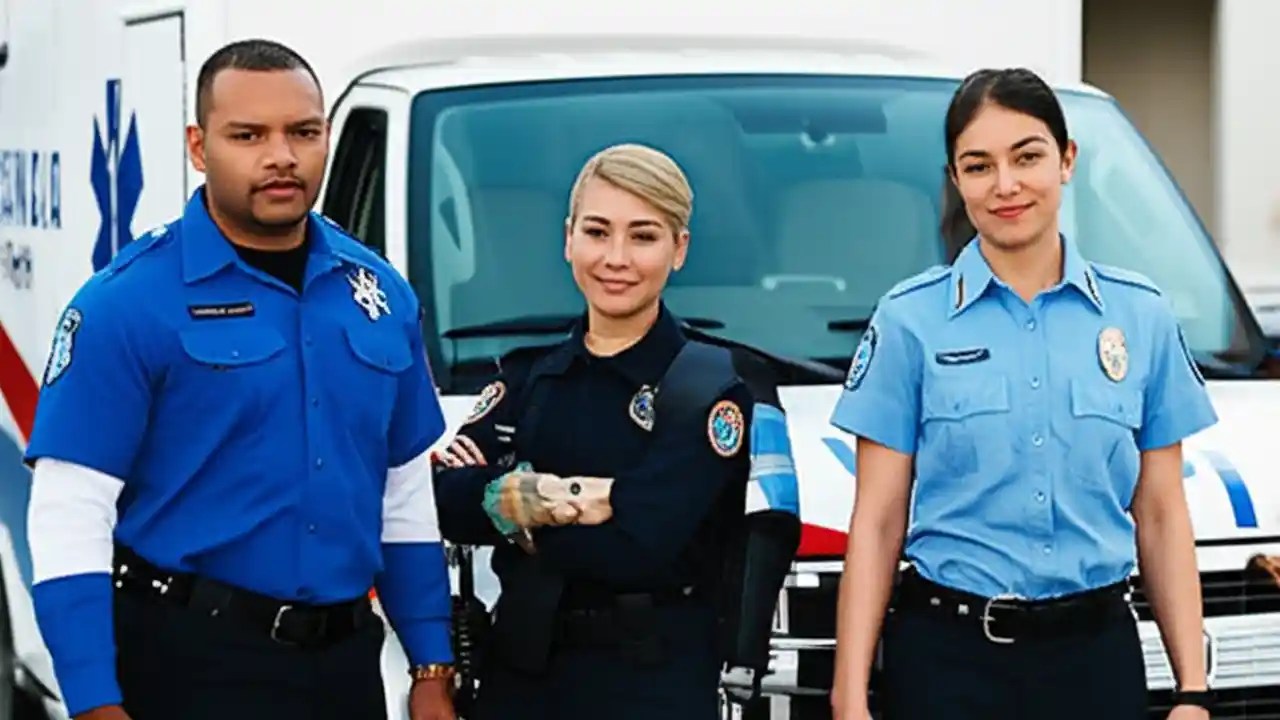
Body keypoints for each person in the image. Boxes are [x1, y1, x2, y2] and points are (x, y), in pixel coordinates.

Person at [23, 39, 455, 720]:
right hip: (189, 661)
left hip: (345, 668)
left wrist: (431, 663)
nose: (281, 155)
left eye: (302, 133)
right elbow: (68, 518)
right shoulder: (125, 304)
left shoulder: (379, 295)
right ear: (200, 147)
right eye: (248, 135)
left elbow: (403, 495)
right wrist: (93, 701)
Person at [827, 67, 1219, 720]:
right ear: (955, 181)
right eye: (978, 166)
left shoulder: (1140, 317)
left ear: (1066, 161)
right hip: (950, 662)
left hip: (1097, 661)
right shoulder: (908, 321)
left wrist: (1193, 691)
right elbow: (877, 521)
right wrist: (849, 697)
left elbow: (1160, 513)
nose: (1005, 185)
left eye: (1027, 156)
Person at [431, 142, 800, 719]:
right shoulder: (527, 378)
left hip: (652, 682)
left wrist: (514, 505)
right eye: (597, 232)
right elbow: (442, 501)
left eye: (644, 235)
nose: (616, 257)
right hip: (522, 680)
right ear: (568, 238)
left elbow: (641, 543)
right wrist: (579, 499)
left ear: (679, 249)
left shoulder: (714, 388)